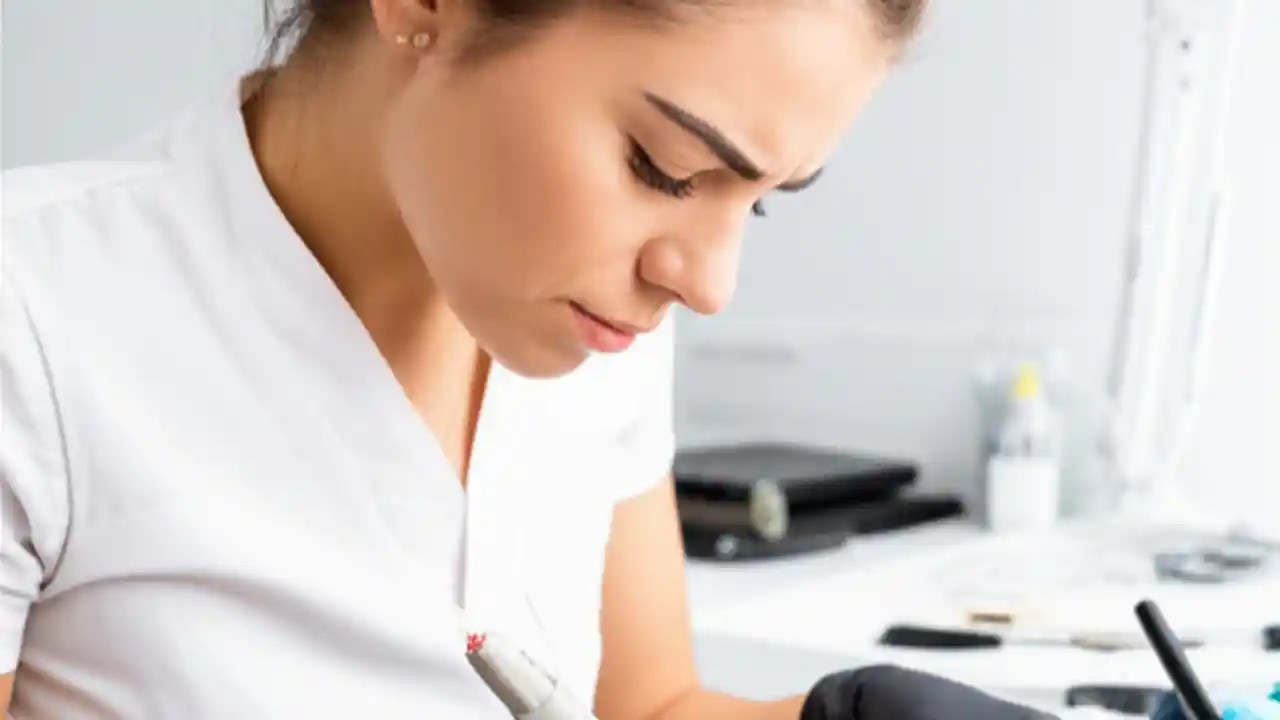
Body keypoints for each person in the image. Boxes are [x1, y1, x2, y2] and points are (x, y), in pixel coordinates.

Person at [0, 0, 1053, 717]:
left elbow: (647, 706)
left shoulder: (598, 324)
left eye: (761, 198)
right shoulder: (37, 311)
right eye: (664, 167)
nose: (706, 282)